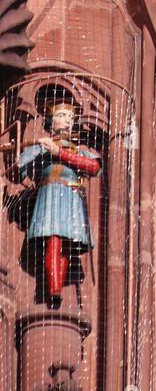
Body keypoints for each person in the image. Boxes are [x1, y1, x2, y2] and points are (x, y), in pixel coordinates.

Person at [16, 85, 102, 302]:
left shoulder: (77, 149)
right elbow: (18, 172)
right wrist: (19, 152)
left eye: (71, 117)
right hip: (50, 195)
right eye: (62, 115)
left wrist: (59, 152)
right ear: (50, 120)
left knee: (65, 242)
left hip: (71, 196)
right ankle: (53, 289)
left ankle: (56, 287)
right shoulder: (40, 147)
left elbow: (93, 167)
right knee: (53, 239)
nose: (67, 120)